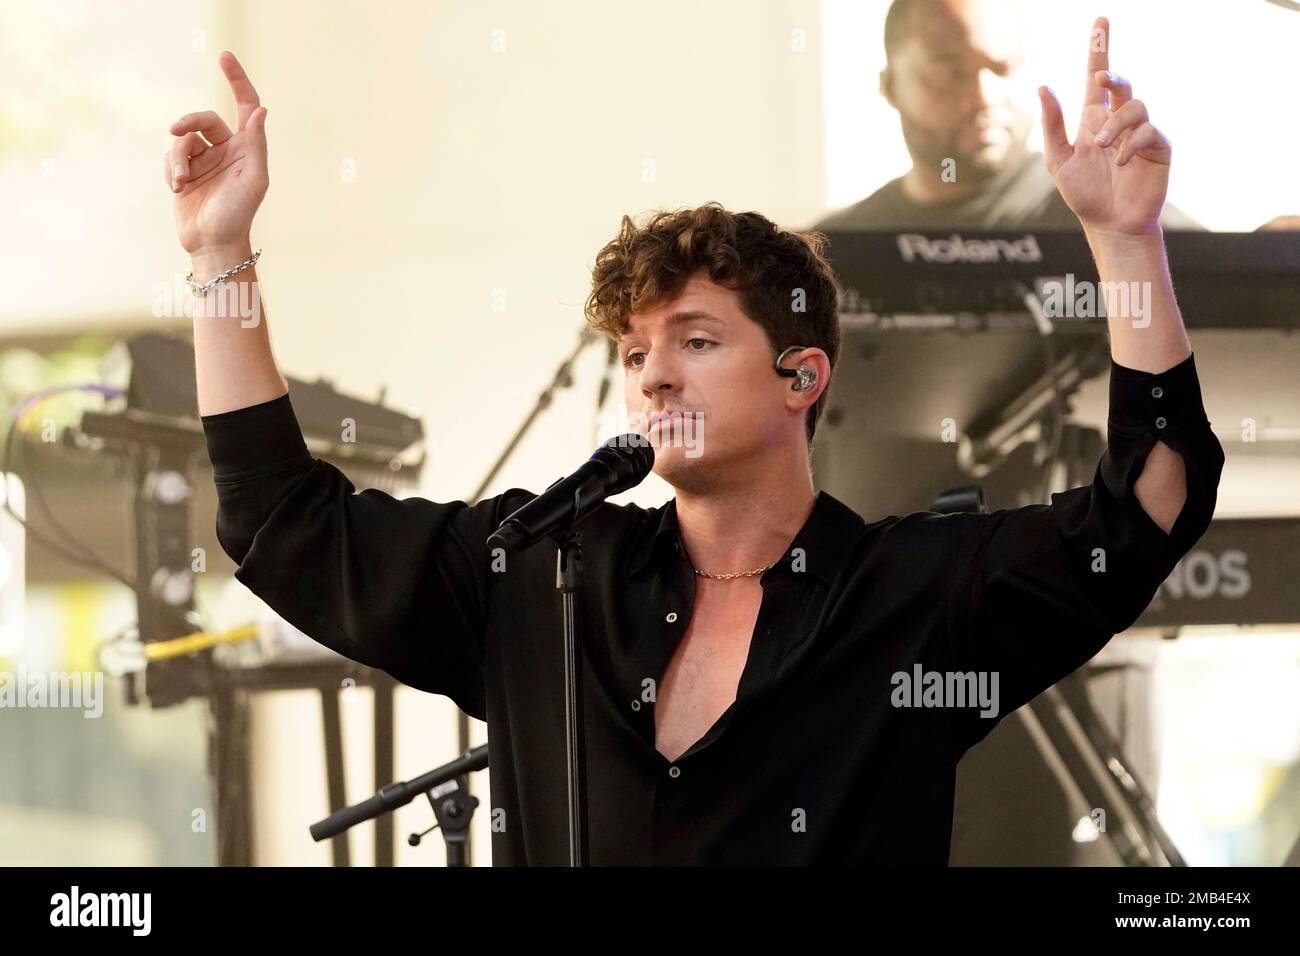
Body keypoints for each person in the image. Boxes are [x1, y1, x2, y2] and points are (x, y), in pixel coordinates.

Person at [166, 20, 1224, 864]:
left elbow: (1147, 508)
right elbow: (277, 521)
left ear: (800, 376)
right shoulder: (543, 574)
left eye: (697, 338)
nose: (654, 371)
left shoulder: (908, 596)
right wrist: (221, 253)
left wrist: (1124, 244)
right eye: (633, 352)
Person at [815, 0, 1205, 231]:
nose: (983, 97)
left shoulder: (1101, 208)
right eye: (949, 73)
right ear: (890, 86)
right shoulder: (833, 253)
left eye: (1002, 69)